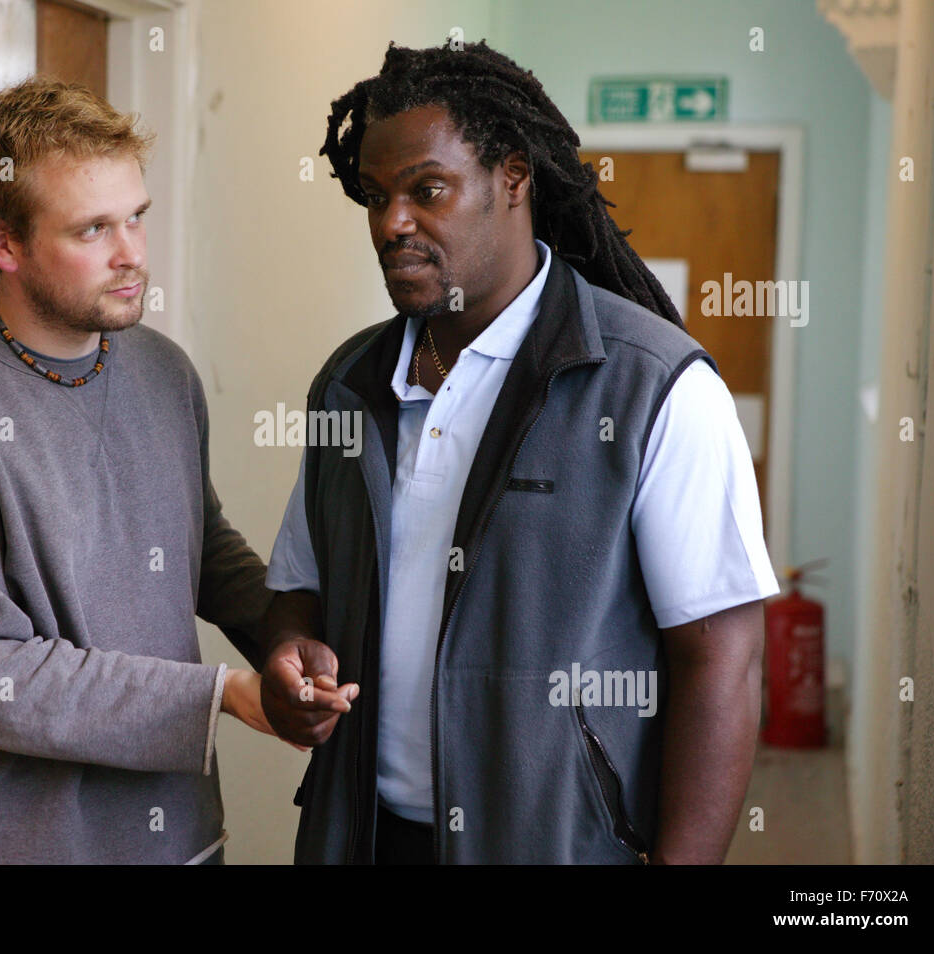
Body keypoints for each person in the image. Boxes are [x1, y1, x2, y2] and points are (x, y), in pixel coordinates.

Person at [259, 41, 779, 864]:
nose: (392, 222)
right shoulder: (349, 384)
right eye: (374, 195)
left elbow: (722, 661)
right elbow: (301, 585)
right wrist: (289, 662)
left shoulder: (652, 387)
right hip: (362, 837)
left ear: (513, 177)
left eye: (427, 189)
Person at [0, 78, 294, 863]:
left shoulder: (164, 372)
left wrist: (287, 634)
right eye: (93, 229)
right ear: (5, 244)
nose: (131, 254)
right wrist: (219, 694)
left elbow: (200, 546)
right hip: (13, 844)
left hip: (177, 836)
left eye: (136, 218)